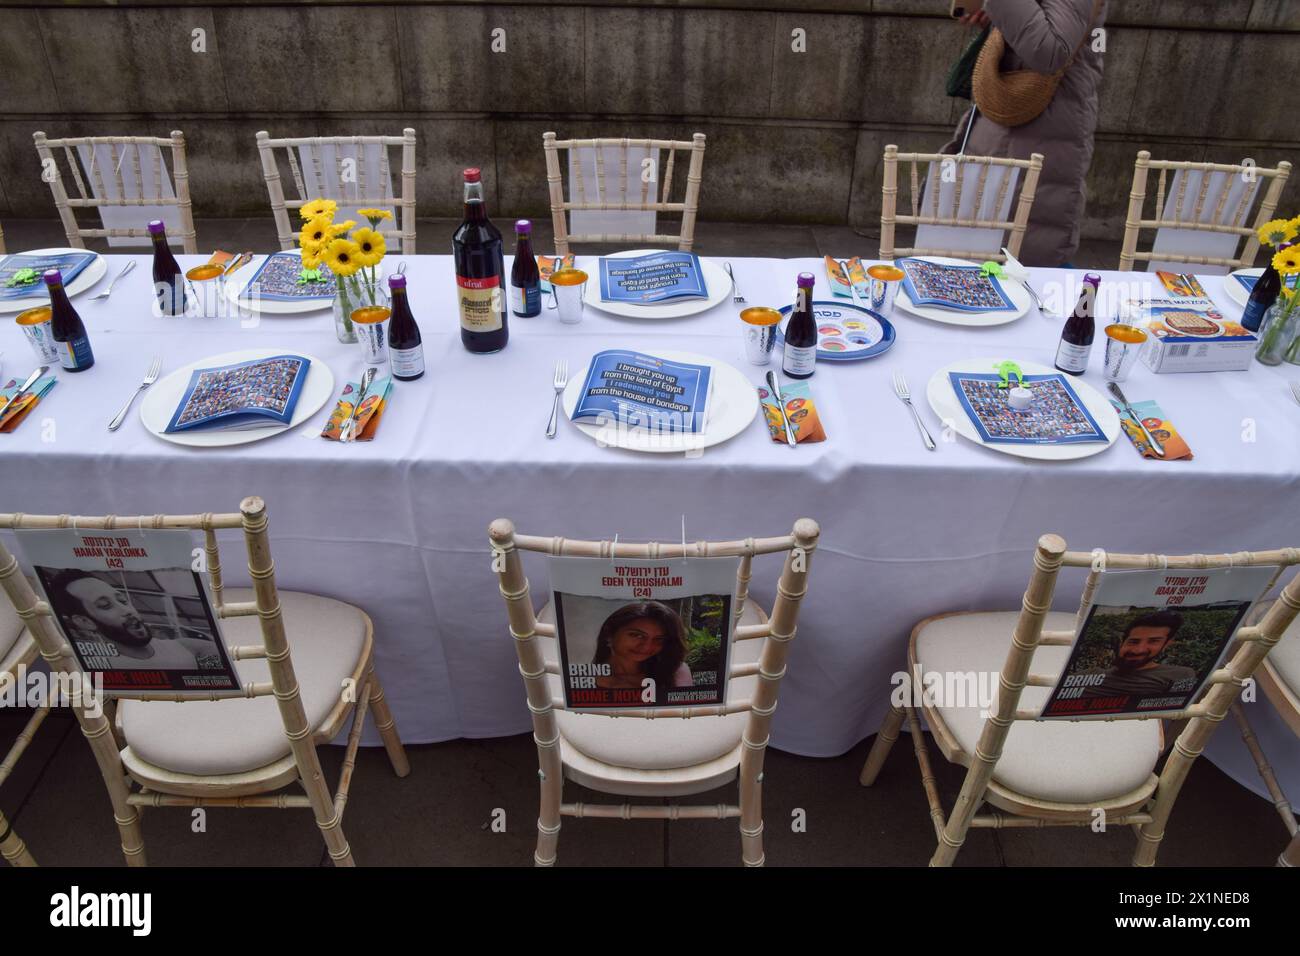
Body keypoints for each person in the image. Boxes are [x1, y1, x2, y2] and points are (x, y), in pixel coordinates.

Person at [951, 0, 1107, 267]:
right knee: (984, 258)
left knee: (1029, 262)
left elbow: (1049, 51)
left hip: (1040, 132)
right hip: (1016, 128)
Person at [44, 569, 216, 671]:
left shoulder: (184, 646)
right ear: (84, 622)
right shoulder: (104, 668)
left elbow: (214, 656)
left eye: (123, 600)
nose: (126, 610)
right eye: (105, 605)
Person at [1080, 610, 1197, 699]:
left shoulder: (1181, 674)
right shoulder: (1089, 675)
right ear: (1122, 642)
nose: (1138, 650)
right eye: (1133, 641)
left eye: (1153, 641)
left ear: (1166, 644)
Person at [591, 601, 692, 698]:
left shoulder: (676, 673)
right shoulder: (583, 679)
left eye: (659, 639)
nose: (646, 647)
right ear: (609, 633)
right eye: (636, 635)